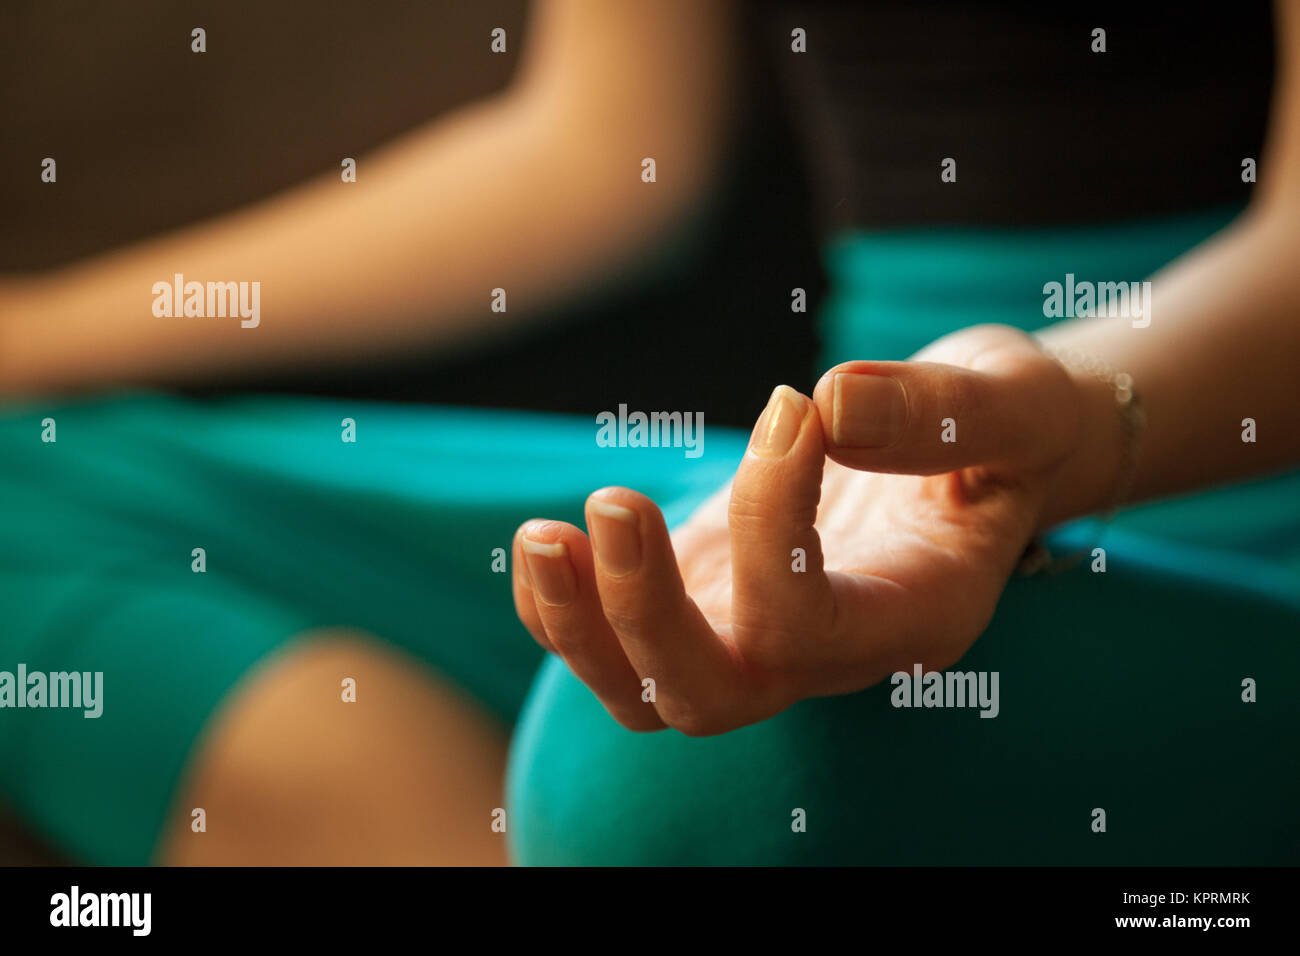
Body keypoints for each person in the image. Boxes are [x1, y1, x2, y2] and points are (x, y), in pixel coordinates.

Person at [1, 0, 1297, 865]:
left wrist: (1060, 418)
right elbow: (603, 157)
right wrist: (34, 337)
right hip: (859, 474)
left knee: (657, 777)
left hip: (1220, 491)